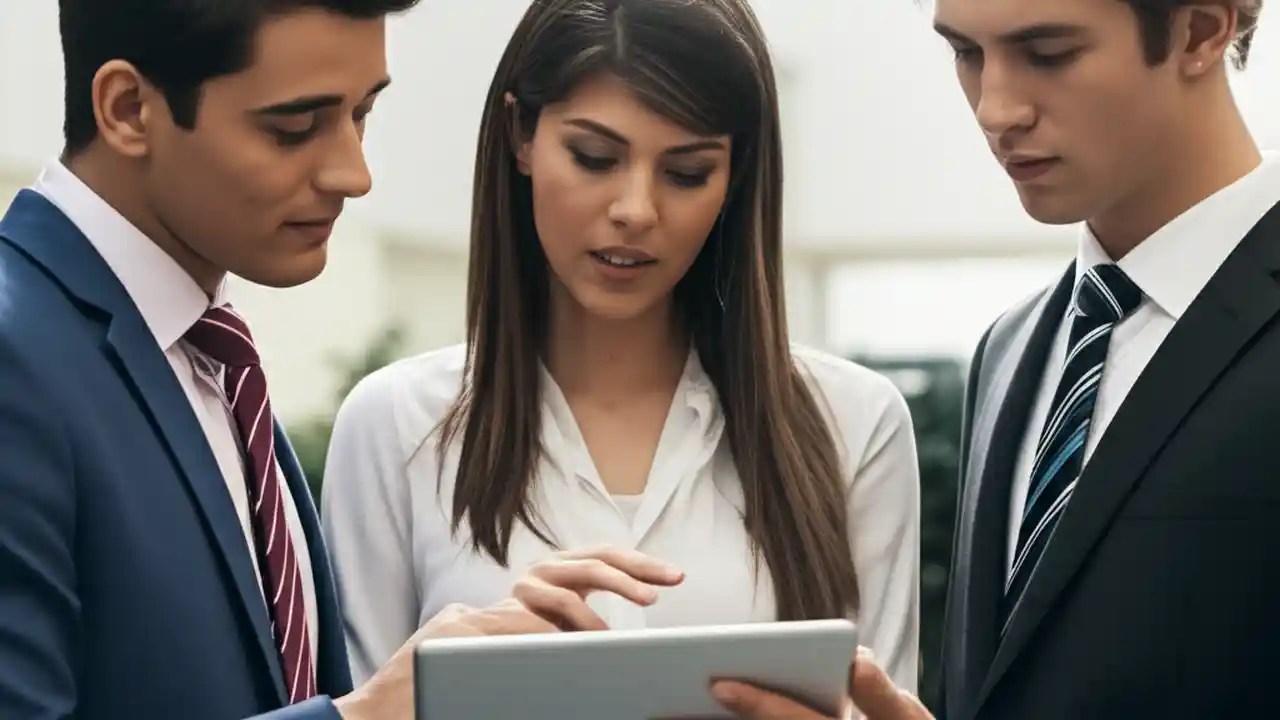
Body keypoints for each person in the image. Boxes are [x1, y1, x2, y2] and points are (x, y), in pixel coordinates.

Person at [0, 2, 681, 718]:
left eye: (361, 115)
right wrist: (365, 713)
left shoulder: (204, 357)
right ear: (130, 108)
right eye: (294, 128)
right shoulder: (21, 359)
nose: (354, 175)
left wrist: (462, 677)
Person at [320, 0, 921, 704]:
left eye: (688, 172)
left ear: (736, 178)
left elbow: (887, 701)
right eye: (595, 157)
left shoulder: (855, 424)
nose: (637, 209)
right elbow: (362, 710)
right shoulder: (395, 426)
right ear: (521, 134)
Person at [727, 0, 1280, 718]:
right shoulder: (1011, 349)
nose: (995, 109)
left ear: (1202, 30)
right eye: (966, 53)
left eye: (1047, 54)